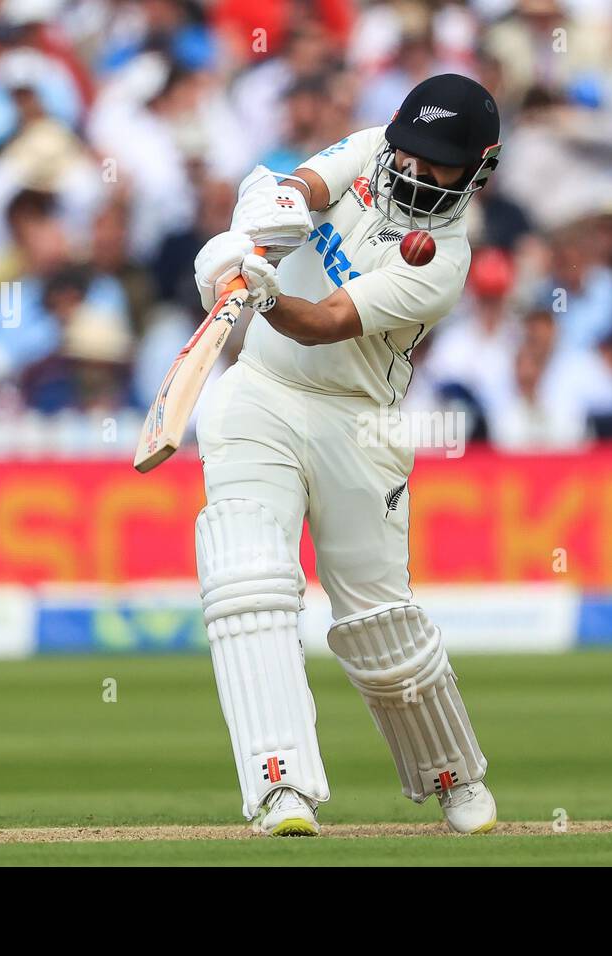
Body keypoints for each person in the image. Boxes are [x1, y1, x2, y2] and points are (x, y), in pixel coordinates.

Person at [190, 74, 502, 836]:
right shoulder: (368, 150)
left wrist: (258, 293)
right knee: (248, 582)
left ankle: (451, 775)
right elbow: (292, 188)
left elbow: (325, 321)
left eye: (442, 165)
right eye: (413, 153)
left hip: (357, 423)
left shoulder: (444, 260)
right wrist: (247, 240)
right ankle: (280, 788)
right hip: (258, 391)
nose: (419, 172)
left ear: (479, 169)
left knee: (377, 624)